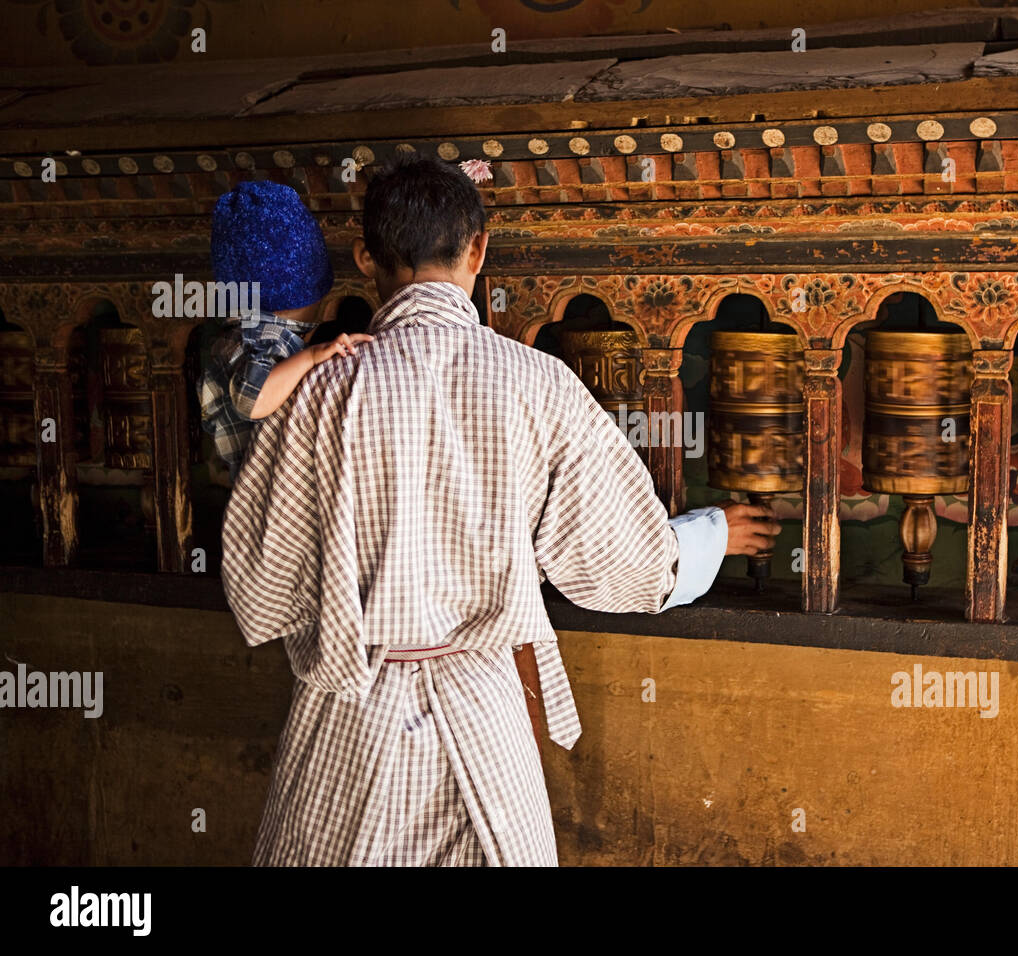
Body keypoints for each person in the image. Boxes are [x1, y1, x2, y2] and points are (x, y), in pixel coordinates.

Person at [220, 156, 780, 866]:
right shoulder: (539, 384)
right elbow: (624, 563)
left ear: (366, 259)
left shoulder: (322, 390)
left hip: (349, 723)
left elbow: (261, 592)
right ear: (479, 250)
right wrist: (711, 538)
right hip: (486, 715)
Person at [198, 179, 371, 482]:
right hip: (267, 498)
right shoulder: (268, 340)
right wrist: (313, 356)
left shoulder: (234, 337)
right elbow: (251, 398)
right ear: (306, 293)